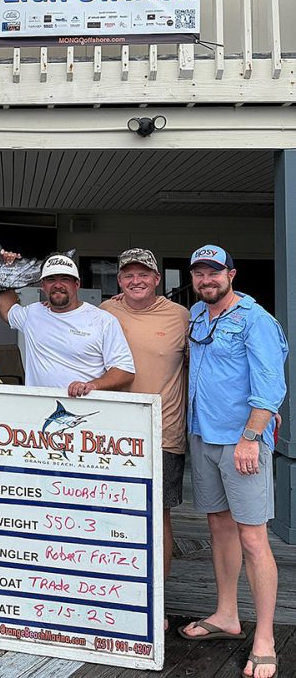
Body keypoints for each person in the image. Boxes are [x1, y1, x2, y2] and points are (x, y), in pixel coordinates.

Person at [178, 245, 287, 678]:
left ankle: (265, 637)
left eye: (214, 272)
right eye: (199, 273)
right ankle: (226, 614)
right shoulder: (197, 317)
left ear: (232, 274)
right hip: (204, 437)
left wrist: (250, 436)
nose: (206, 279)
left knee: (254, 539)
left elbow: (270, 385)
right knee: (219, 528)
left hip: (242, 443)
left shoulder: (257, 321)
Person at [100, 248, 189, 625]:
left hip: (163, 434)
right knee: (107, 516)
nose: (136, 281)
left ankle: (155, 599)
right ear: (119, 280)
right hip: (110, 437)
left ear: (157, 279)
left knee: (157, 518)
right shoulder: (102, 312)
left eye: (144, 274)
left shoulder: (182, 316)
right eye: (128, 275)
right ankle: (111, 593)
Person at [0, 252, 135, 395]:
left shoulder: (103, 320)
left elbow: (125, 371)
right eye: (51, 279)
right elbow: (7, 309)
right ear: (43, 285)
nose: (58, 285)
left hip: (85, 410)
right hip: (39, 409)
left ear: (77, 284)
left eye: (65, 279)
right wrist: (7, 269)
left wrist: (92, 385)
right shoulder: (32, 314)